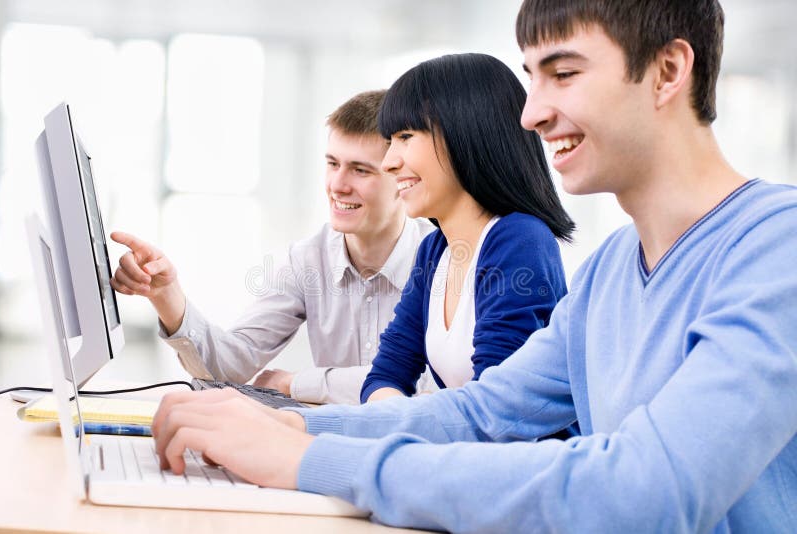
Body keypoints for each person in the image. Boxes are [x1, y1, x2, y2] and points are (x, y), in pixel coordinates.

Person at [151, 1, 797, 532]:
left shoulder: (778, 246)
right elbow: (483, 413)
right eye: (530, 77)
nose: (530, 113)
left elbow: (645, 490)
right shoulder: (608, 275)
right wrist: (284, 425)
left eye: (562, 73)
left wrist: (313, 458)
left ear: (667, 71)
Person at [110, 90, 435, 405]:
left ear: (402, 177)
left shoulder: (443, 259)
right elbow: (227, 369)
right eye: (333, 164)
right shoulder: (308, 260)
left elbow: (422, 387)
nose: (338, 185)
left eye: (360, 170)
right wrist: (166, 295)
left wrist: (296, 383)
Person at [361, 53, 574, 403]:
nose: (388, 162)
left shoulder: (518, 239)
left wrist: (400, 423)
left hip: (524, 456)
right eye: (390, 142)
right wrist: (395, 416)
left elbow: (494, 409)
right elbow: (386, 374)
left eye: (405, 136)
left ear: (466, 132)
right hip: (460, 451)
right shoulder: (435, 249)